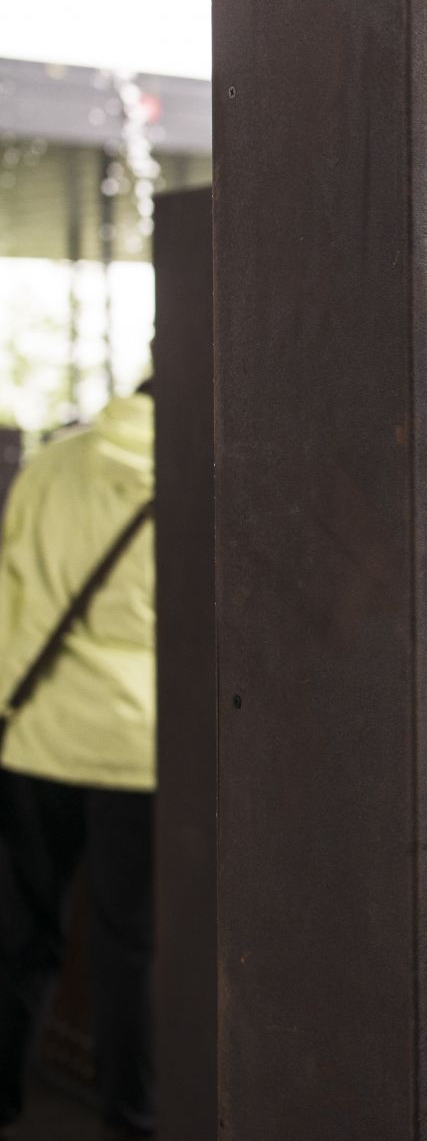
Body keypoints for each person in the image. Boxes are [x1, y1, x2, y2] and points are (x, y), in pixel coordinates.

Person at [0, 384, 156, 1140]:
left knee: (19, 935)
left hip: (36, 740)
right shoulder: (208, 479)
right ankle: (133, 1121)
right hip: (143, 756)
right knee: (134, 954)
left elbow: (10, 604)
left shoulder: (51, 469)